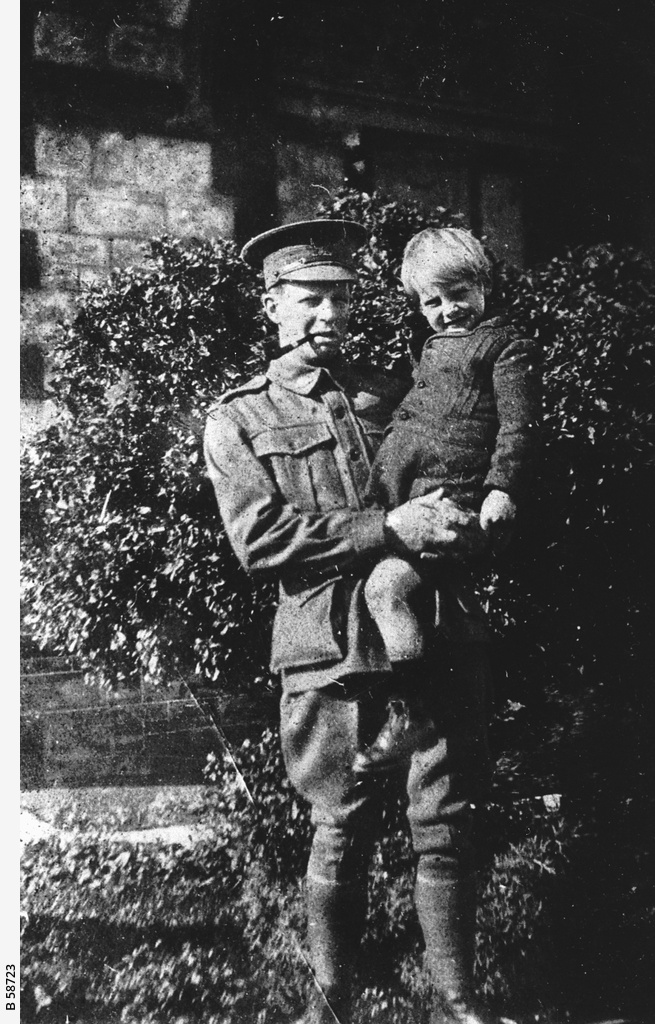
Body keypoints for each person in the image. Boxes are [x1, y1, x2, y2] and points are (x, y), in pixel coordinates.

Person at [204, 219, 516, 1024]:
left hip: (434, 628)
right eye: (309, 301)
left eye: (340, 301)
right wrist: (389, 531)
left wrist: (469, 518)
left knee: (443, 822)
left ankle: (458, 1002)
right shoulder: (238, 419)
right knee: (338, 826)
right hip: (322, 646)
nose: (328, 317)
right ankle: (330, 1006)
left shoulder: (403, 388)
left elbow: (478, 457)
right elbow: (260, 540)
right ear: (271, 306)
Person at [354, 227, 542, 774]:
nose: (447, 310)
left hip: (457, 500)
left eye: (458, 293)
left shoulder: (506, 346)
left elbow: (519, 427)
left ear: (482, 285)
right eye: (431, 301)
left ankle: (411, 712)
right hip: (418, 495)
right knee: (380, 587)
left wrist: (502, 488)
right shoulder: (432, 349)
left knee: (386, 588)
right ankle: (403, 704)